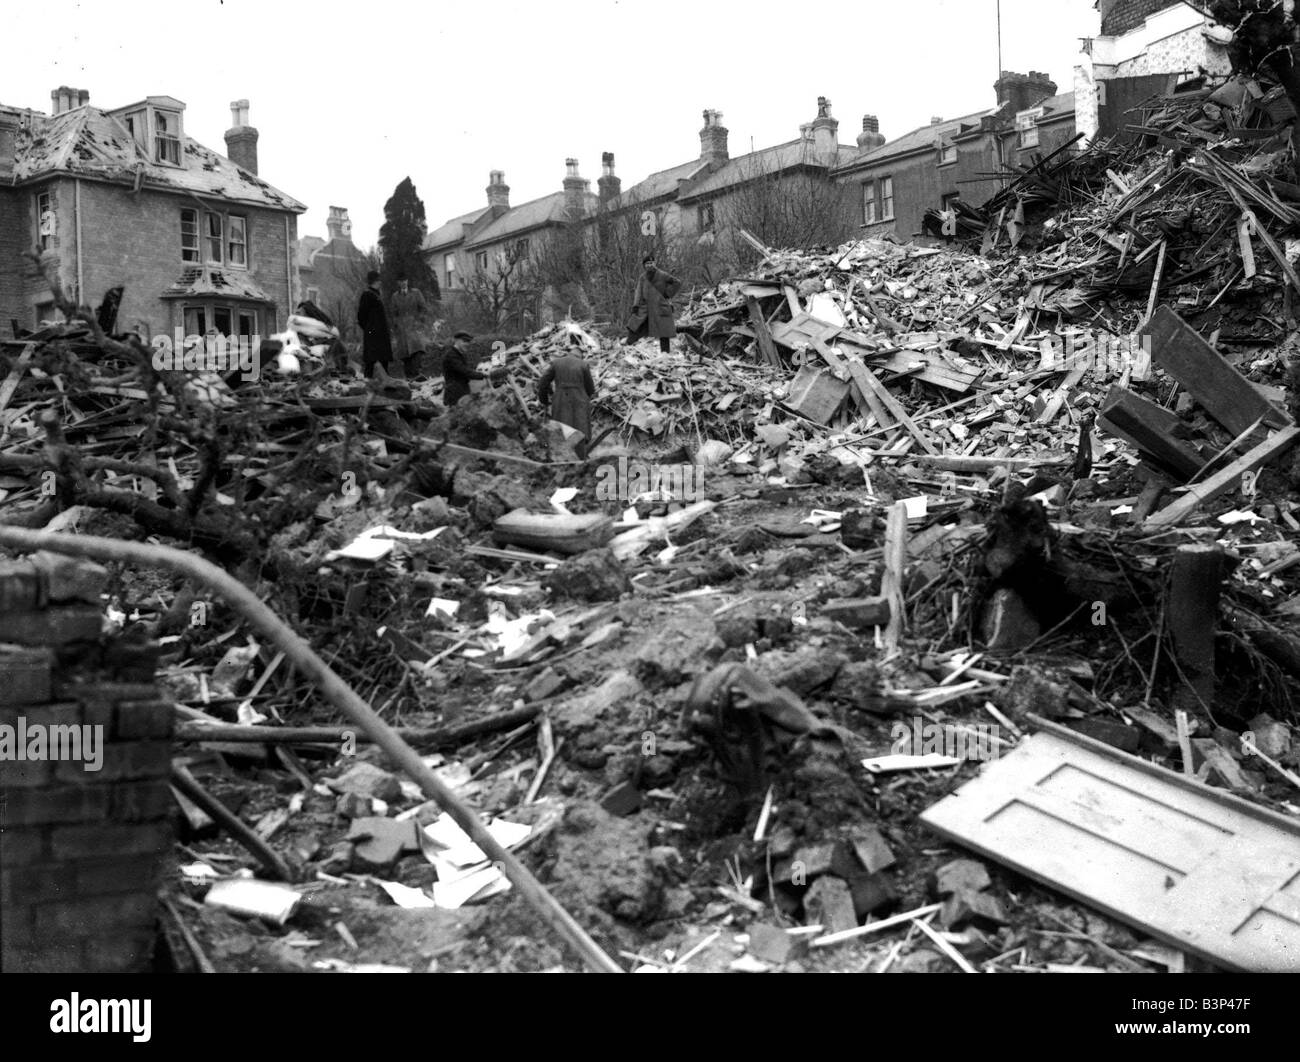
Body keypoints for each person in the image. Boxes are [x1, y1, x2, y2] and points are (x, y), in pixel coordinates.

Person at [537, 334, 596, 458]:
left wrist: (545, 399)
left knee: (561, 430)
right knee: (580, 430)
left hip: (560, 400)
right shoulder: (583, 364)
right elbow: (590, 388)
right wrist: (587, 397)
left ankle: (561, 458)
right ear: (579, 355)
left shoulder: (556, 362)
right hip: (580, 401)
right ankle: (580, 458)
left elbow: (543, 383)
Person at [628, 253, 682, 354]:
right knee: (634, 325)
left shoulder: (663, 275)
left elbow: (677, 283)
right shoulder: (642, 277)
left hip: (660, 306)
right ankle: (628, 348)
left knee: (664, 331)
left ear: (655, 263)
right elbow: (638, 291)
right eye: (647, 263)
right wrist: (635, 305)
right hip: (646, 307)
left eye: (651, 263)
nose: (649, 265)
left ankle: (665, 354)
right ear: (644, 265)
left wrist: (667, 293)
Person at [356, 271, 393, 378]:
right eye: (378, 280)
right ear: (374, 281)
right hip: (372, 334)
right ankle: (368, 383)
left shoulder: (377, 294)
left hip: (381, 334)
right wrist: (369, 329)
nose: (380, 282)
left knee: (383, 360)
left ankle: (386, 383)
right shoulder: (367, 295)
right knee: (370, 362)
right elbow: (361, 316)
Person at [390, 278, 429, 378]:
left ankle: (418, 378)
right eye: (401, 281)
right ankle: (410, 383)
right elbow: (394, 314)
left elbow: (423, 308)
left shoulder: (416, 293)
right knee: (406, 359)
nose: (403, 282)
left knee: (417, 354)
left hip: (415, 329)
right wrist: (397, 324)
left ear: (407, 281)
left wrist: (419, 321)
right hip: (402, 331)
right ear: (398, 282)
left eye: (405, 280)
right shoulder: (395, 296)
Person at [443, 330, 489, 406]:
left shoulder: (460, 354)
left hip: (462, 391)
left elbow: (466, 371)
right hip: (455, 394)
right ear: (456, 341)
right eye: (464, 341)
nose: (467, 344)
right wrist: (483, 375)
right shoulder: (451, 355)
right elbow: (465, 371)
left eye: (468, 342)